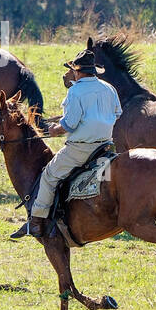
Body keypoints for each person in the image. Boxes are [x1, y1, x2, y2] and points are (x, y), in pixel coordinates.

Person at [13, 47, 122, 238]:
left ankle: (36, 222)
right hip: (106, 147)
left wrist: (56, 129)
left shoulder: (76, 91)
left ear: (78, 71)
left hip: (81, 149)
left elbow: (69, 124)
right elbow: (117, 113)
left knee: (49, 175)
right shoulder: (109, 88)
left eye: (73, 70)